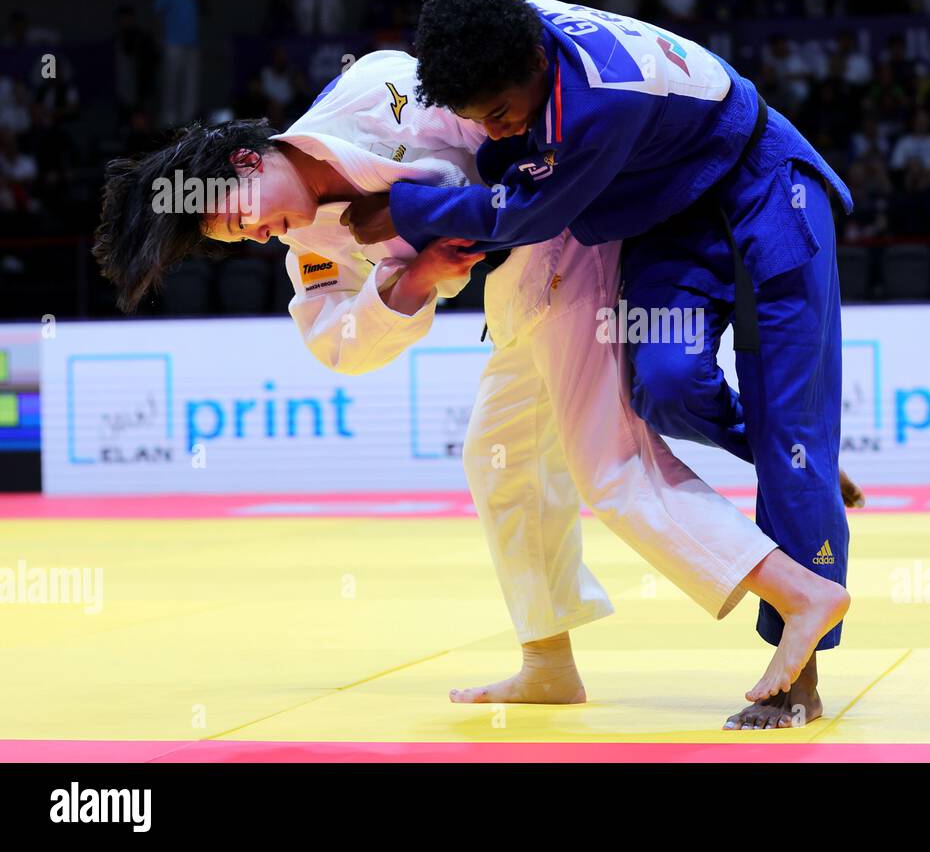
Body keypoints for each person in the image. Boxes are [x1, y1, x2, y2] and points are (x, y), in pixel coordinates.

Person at [93, 50, 855, 729]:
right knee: (499, 457)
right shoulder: (309, 241)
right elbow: (337, 343)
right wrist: (413, 281)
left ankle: (799, 592)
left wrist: (459, 216)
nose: (258, 237)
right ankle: (548, 662)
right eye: (239, 243)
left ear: (247, 164)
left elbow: (505, 130)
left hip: (565, 235)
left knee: (610, 463)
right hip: (517, 288)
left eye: (239, 221)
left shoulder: (373, 87)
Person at [343, 0, 854, 728]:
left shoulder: (596, 99)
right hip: (669, 216)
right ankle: (777, 449)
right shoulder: (508, 35)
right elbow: (501, 163)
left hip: (766, 186)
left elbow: (525, 212)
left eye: (502, 113)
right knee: (666, 382)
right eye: (480, 118)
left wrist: (408, 207)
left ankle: (798, 676)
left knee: (791, 422)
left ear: (533, 64)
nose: (497, 131)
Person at [154, 0, 201, 127]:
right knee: (171, 84)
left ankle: (188, 121)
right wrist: (160, 38)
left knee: (190, 85)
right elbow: (158, 13)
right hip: (172, 43)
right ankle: (169, 122)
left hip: (192, 44)